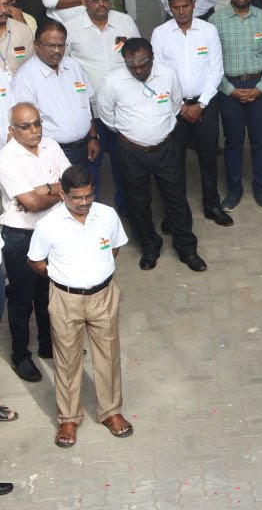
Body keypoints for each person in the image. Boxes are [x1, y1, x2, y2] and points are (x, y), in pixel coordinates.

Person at [27, 165, 132, 449]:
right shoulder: (48, 226)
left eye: (88, 195)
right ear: (62, 194)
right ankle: (69, 419)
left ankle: (111, 412)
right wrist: (65, 280)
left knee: (108, 356)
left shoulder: (107, 215)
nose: (84, 202)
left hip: (104, 295)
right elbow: (36, 261)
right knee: (67, 360)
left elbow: (115, 249)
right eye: (77, 197)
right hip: (65, 299)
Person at [96, 38, 204, 272]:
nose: (138, 70)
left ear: (152, 57)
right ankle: (149, 247)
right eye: (132, 66)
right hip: (130, 151)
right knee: (138, 202)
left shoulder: (167, 74)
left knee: (176, 199)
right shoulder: (112, 81)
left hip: (166, 148)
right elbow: (106, 116)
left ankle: (186, 248)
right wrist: (133, 132)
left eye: (143, 64)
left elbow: (176, 105)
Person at [0, 102, 69, 384]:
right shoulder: (6, 158)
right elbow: (31, 202)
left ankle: (47, 345)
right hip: (21, 237)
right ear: (12, 130)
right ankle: (20, 355)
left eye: (37, 123)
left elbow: (73, 183)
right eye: (25, 126)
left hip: (51, 231)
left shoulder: (51, 145)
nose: (34, 130)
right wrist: (56, 192)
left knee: (47, 292)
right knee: (21, 300)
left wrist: (48, 190)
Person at [152, 0, 230, 228]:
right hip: (174, 109)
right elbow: (159, 74)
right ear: (169, 7)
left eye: (186, 5)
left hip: (205, 104)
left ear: (194, 4)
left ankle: (212, 205)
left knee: (208, 157)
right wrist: (179, 107)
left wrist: (201, 104)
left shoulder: (208, 31)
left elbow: (216, 70)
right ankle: (175, 212)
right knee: (173, 162)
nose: (181, 11)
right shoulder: (160, 34)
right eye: (176, 7)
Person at [63, 0, 139, 209]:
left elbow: (139, 56)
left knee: (123, 160)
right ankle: (89, 209)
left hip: (123, 107)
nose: (102, 4)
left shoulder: (125, 22)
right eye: (95, 0)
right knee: (92, 161)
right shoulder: (71, 28)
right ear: (84, 1)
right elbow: (64, 68)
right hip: (91, 110)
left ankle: (125, 207)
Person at [212, 0, 262, 212]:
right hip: (229, 90)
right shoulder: (216, 21)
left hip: (259, 87)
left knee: (261, 141)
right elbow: (211, 64)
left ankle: (261, 189)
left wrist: (260, 89)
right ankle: (234, 191)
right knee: (233, 142)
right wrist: (230, 90)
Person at [11, 20, 99, 169]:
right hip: (53, 152)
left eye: (61, 45)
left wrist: (93, 137)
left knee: (87, 189)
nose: (57, 50)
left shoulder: (73, 66)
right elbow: (22, 124)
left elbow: (85, 103)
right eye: (51, 45)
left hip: (85, 146)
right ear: (36, 46)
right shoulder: (25, 78)